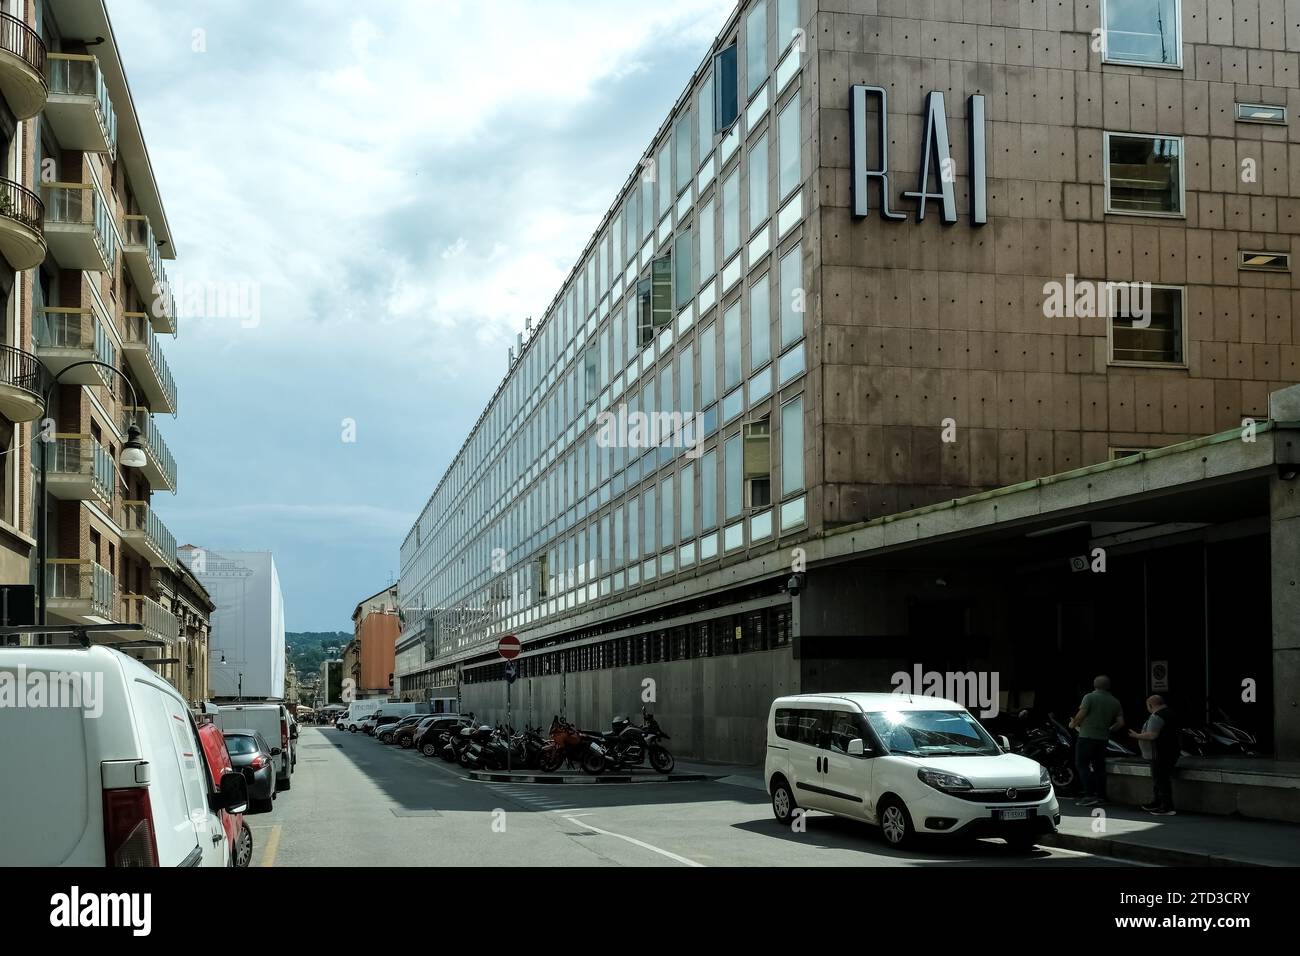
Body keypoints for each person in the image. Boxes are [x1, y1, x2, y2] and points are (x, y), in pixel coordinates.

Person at [1069, 675, 1125, 807]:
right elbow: (1121, 723)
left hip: (1086, 736)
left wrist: (1073, 724)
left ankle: (1089, 795)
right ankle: (1101, 796)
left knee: (1082, 765)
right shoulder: (1115, 701)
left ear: (1095, 685)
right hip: (1103, 738)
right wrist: (1109, 729)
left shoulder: (1089, 697)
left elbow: (1081, 714)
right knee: (1099, 767)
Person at [1130, 695, 1179, 815]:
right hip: (1171, 751)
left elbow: (1152, 735)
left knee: (1161, 779)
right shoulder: (1171, 713)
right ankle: (1157, 802)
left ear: (1150, 705)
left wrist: (1136, 735)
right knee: (1160, 778)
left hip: (1159, 752)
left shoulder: (1157, 716)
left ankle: (1167, 807)